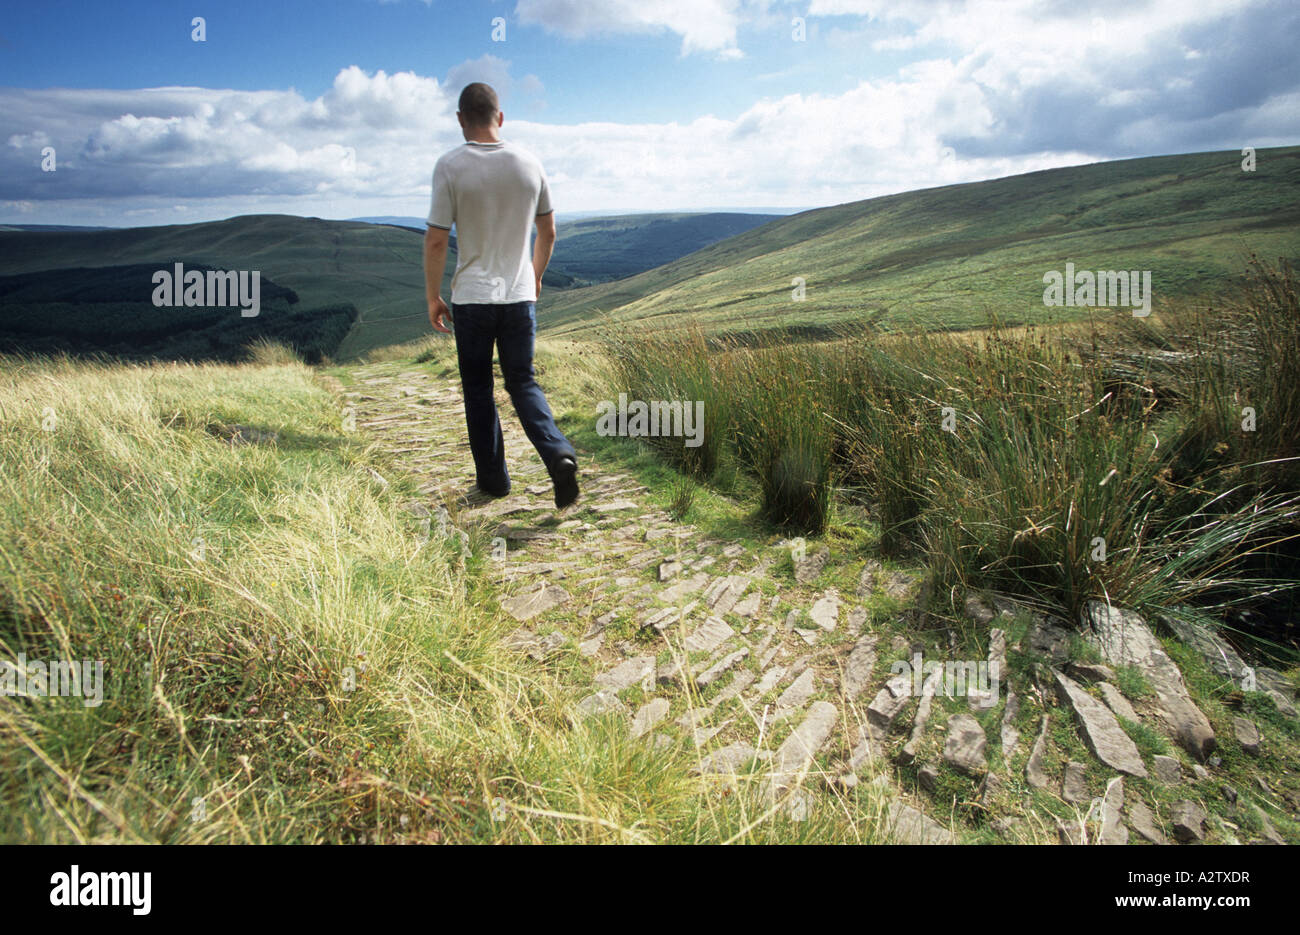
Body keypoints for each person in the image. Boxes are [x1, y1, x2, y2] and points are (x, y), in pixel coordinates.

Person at [424, 82, 579, 509]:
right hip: (518, 296)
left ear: (460, 120)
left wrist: (433, 296)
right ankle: (558, 454)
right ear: (501, 116)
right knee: (522, 381)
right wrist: (535, 275)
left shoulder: (450, 166)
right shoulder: (530, 163)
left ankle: (494, 482)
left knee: (478, 389)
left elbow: (436, 241)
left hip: (472, 299)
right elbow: (548, 231)